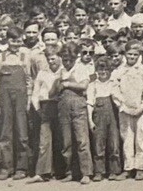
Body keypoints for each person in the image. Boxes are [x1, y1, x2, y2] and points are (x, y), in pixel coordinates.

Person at [0, 28, 33, 180]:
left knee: (22, 132)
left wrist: (29, 99)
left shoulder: (25, 56)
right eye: (13, 41)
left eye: (19, 41)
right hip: (4, 98)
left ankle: (21, 167)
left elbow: (28, 79)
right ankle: (6, 167)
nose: (16, 44)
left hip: (21, 98)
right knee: (5, 132)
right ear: (7, 40)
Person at [113, 42, 143, 180]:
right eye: (130, 54)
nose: (132, 57)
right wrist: (122, 106)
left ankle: (140, 168)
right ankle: (128, 168)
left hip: (139, 109)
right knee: (127, 139)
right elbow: (115, 90)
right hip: (125, 109)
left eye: (135, 54)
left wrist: (141, 106)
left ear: (139, 55)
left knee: (140, 139)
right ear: (125, 54)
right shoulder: (118, 71)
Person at [59, 44, 95, 183]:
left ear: (75, 58)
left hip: (78, 105)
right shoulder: (61, 70)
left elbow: (84, 85)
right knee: (66, 141)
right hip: (63, 106)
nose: (67, 62)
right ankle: (70, 172)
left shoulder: (81, 69)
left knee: (82, 140)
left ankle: (86, 173)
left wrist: (67, 84)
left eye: (70, 60)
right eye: (65, 59)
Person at [30, 50, 65, 181]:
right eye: (48, 59)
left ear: (60, 58)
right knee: (44, 141)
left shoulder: (64, 72)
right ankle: (43, 172)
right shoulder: (42, 73)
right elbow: (35, 93)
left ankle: (60, 171)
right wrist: (38, 108)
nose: (51, 62)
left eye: (53, 59)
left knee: (60, 139)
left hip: (59, 105)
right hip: (45, 106)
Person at [86, 57, 120, 181]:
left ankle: (114, 171)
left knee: (114, 144)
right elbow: (90, 103)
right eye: (101, 69)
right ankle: (99, 171)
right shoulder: (93, 85)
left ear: (110, 70)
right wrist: (90, 121)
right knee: (98, 144)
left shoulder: (113, 83)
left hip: (113, 116)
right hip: (98, 116)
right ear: (96, 70)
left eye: (106, 69)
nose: (103, 72)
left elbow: (119, 100)